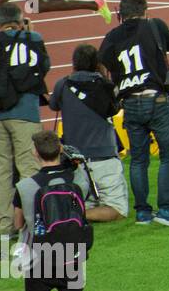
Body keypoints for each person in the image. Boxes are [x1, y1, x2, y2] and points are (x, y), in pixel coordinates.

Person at [14, 130, 111, 291]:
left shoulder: (25, 186)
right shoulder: (76, 180)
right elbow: (87, 203)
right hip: (72, 256)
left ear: (35, 153)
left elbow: (18, 223)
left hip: (40, 259)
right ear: (60, 150)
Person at [99, 0, 169, 226]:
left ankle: (143, 212)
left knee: (139, 160)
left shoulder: (111, 36)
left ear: (120, 14)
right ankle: (168, 210)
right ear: (145, 10)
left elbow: (103, 62)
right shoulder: (154, 25)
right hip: (157, 100)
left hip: (130, 103)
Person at [0, 3, 50, 245]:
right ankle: (32, 224)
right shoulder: (34, 38)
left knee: (0, 168)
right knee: (29, 166)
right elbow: (44, 67)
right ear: (21, 21)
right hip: (26, 112)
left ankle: (5, 227)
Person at [49, 44, 128, 223]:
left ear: (74, 62)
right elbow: (113, 109)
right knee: (117, 209)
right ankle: (76, 215)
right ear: (97, 62)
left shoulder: (62, 84)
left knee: (87, 201)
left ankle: (75, 211)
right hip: (104, 156)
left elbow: (54, 105)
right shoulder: (105, 86)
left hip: (75, 160)